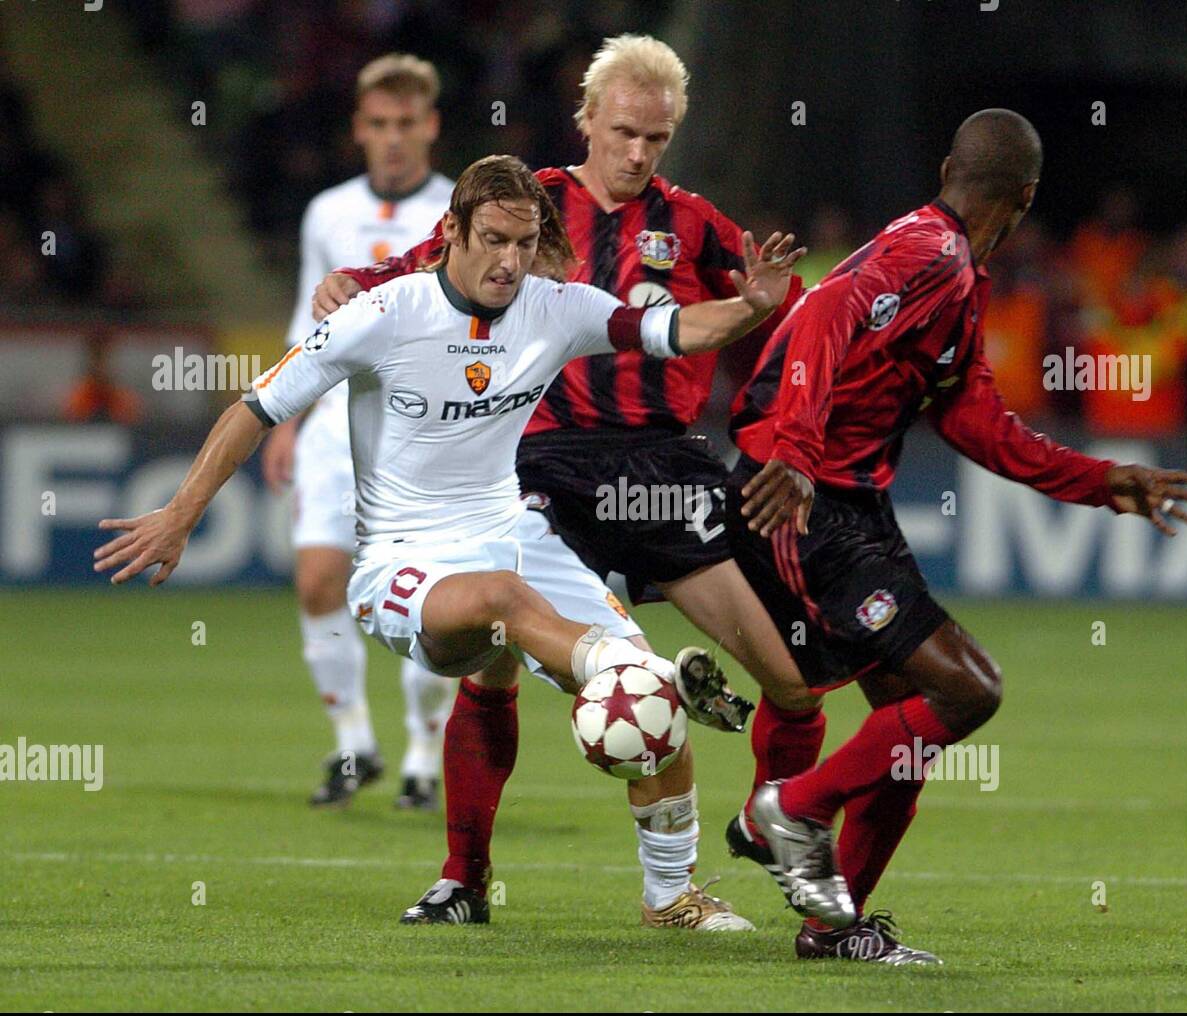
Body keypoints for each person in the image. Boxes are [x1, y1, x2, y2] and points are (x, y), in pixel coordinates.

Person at [93, 154, 802, 928]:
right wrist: (181, 512)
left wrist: (750, 309)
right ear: (454, 231)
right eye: (493, 239)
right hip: (403, 562)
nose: (510, 261)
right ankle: (628, 668)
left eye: (526, 243)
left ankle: (672, 897)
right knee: (548, 629)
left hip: (514, 536)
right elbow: (256, 407)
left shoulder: (555, 307)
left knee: (653, 714)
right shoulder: (384, 314)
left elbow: (666, 330)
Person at [309, 33, 835, 932]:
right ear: (588, 117)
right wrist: (350, 282)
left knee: (793, 683)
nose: (638, 153)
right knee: (496, 666)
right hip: (542, 464)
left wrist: (768, 336)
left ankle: (766, 829)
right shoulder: (529, 206)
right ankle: (464, 880)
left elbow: (774, 319)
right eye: (625, 131)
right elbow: (423, 275)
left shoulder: (697, 224)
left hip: (665, 471)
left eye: (657, 139)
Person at [726, 109, 1187, 963]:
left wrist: (1100, 481)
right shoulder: (930, 253)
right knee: (969, 689)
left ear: (951, 165)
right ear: (1025, 198)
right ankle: (793, 807)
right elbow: (830, 306)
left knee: (906, 734)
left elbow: (975, 420)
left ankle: (832, 929)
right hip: (808, 503)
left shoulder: (958, 277)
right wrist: (798, 452)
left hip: (849, 509)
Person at [260, 55, 459, 810]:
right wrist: (287, 416)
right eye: (378, 124)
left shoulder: (460, 213)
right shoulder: (328, 212)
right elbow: (305, 325)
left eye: (406, 124)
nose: (393, 139)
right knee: (317, 579)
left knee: (433, 597)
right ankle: (352, 747)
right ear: (358, 129)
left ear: (431, 125)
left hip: (424, 429)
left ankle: (422, 749)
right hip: (333, 416)